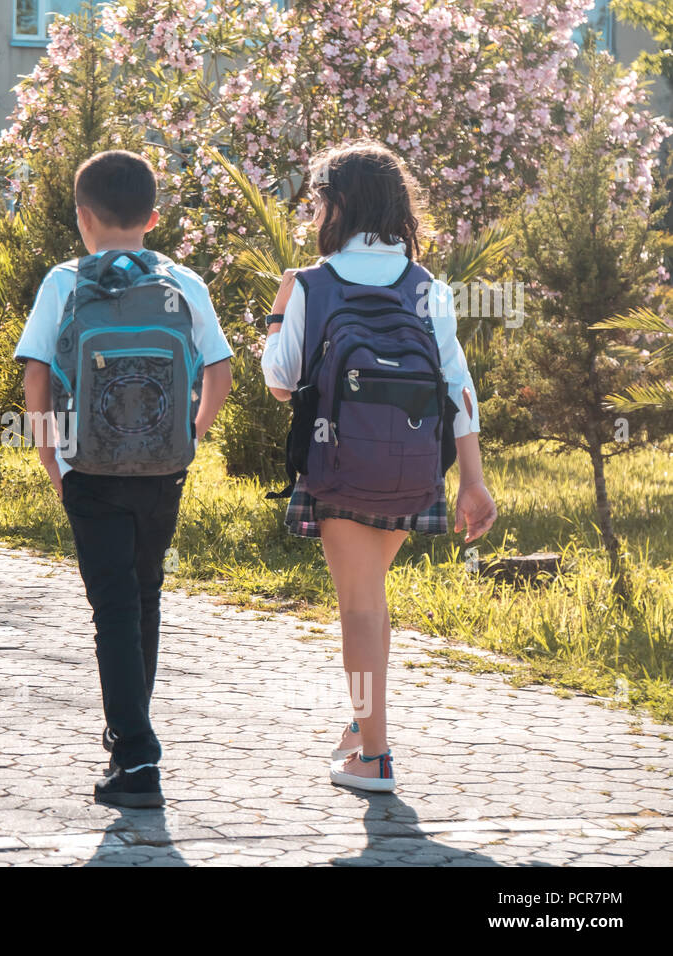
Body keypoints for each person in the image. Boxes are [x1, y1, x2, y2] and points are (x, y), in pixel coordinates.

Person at [261, 140, 497, 792]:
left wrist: (281, 309)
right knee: (373, 602)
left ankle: (376, 757)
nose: (313, 212)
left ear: (338, 205)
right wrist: (472, 481)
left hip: (339, 467)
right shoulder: (428, 288)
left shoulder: (312, 283)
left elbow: (280, 383)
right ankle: (364, 727)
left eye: (318, 200)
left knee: (360, 609)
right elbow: (459, 388)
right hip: (415, 472)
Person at [15, 150, 234, 808]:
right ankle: (129, 743)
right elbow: (220, 370)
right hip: (164, 470)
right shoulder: (184, 283)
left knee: (112, 607)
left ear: (83, 217)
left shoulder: (64, 281)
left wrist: (51, 457)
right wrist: (189, 433)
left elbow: (35, 375)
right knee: (144, 598)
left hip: (92, 470)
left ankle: (137, 759)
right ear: (154, 217)